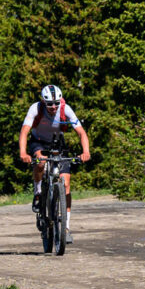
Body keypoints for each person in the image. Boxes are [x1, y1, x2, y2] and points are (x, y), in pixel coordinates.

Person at [19, 84, 91, 243]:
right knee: (40, 162)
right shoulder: (35, 109)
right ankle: (38, 192)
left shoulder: (66, 109)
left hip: (58, 144)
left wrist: (86, 152)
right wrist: (23, 153)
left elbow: (81, 132)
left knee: (66, 184)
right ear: (43, 102)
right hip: (38, 143)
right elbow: (24, 131)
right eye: (49, 104)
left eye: (56, 103)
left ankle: (65, 227)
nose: (53, 107)